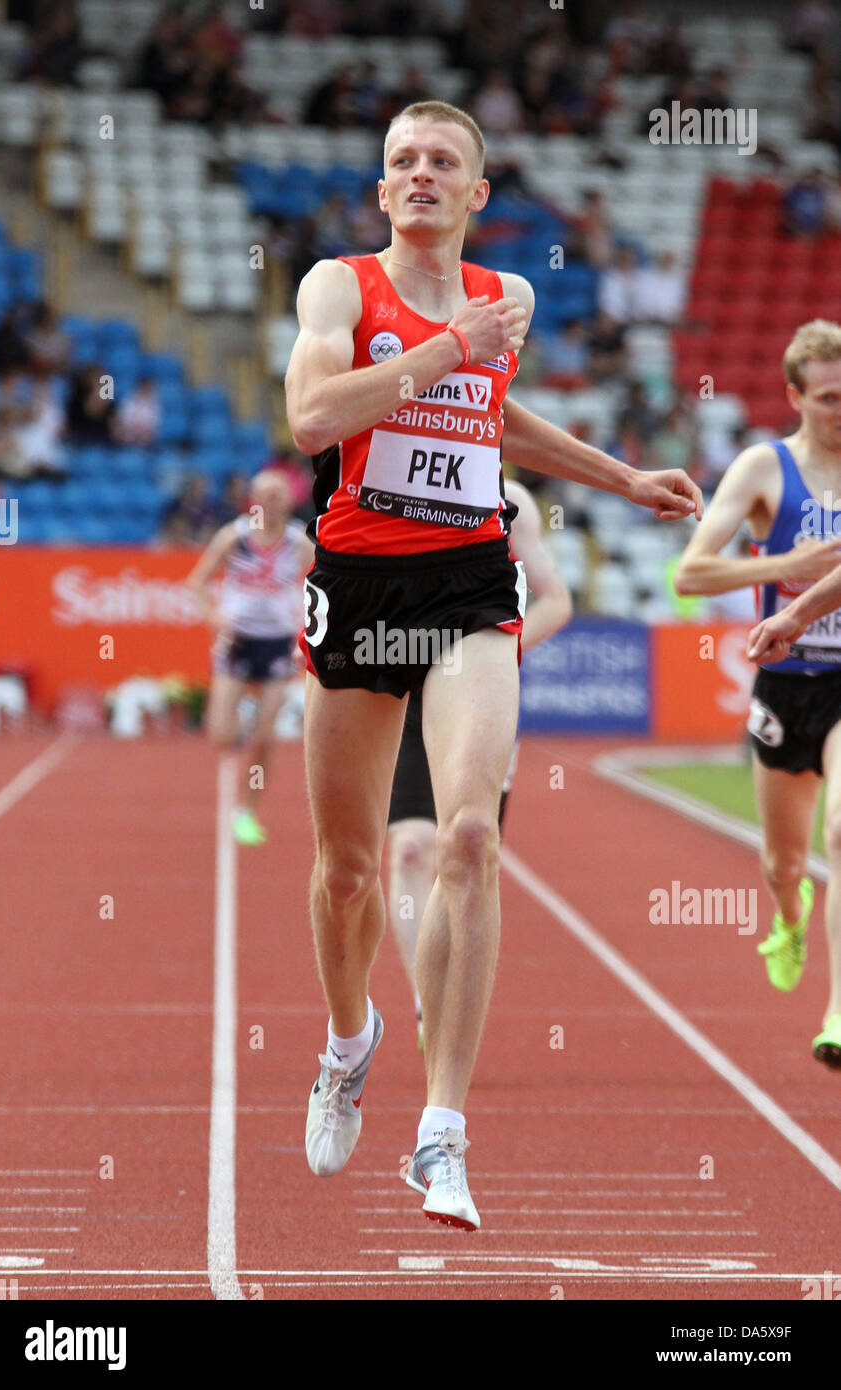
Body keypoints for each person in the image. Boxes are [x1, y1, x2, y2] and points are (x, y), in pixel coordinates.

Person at [285, 100, 701, 1230]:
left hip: (470, 584)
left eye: (442, 163)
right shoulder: (338, 286)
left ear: (476, 194)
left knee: (468, 834)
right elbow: (314, 415)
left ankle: (441, 1134)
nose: (418, 175)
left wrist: (623, 479)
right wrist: (451, 347)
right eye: (400, 162)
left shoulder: (497, 309)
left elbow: (490, 420)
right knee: (346, 873)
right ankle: (347, 1039)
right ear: (381, 191)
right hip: (361, 584)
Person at [675, 319, 841, 1069]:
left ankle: (838, 1011)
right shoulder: (764, 469)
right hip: (785, 681)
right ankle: (787, 915)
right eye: (831, 398)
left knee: (839, 837)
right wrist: (783, 564)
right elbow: (691, 575)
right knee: (783, 862)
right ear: (796, 397)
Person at [387, 478, 572, 1048]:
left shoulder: (508, 497)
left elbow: (558, 600)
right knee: (412, 848)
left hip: (475, 693)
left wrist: (498, 652)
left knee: (462, 852)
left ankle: (445, 991)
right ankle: (428, 1001)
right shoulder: (385, 476)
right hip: (403, 690)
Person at [187, 470, 314, 846]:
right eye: (266, 494)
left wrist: (305, 630)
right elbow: (197, 582)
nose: (273, 500)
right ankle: (241, 717)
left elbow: (320, 586)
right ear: (253, 499)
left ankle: (247, 811)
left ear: (289, 500)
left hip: (276, 643)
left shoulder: (298, 541)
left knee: (265, 736)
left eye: (280, 494)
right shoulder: (234, 536)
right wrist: (215, 619)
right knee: (223, 736)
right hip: (237, 641)